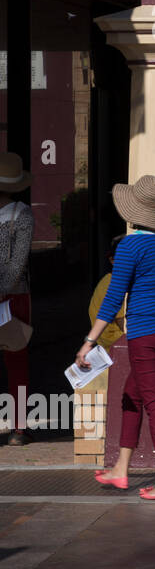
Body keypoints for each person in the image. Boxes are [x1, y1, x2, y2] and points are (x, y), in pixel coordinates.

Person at [77, 175, 155, 501]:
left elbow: (113, 298)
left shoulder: (131, 245)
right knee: (132, 395)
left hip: (145, 334)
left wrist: (89, 341)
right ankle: (120, 469)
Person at [0, 153, 34, 446]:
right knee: (16, 361)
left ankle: (18, 426)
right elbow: (19, 261)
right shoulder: (22, 213)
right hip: (14, 295)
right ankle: (18, 428)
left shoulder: (19, 214)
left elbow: (17, 261)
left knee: (16, 359)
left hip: (10, 296)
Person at [88, 234, 128, 349]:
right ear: (112, 260)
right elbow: (124, 325)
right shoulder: (115, 283)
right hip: (118, 345)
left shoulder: (107, 280)